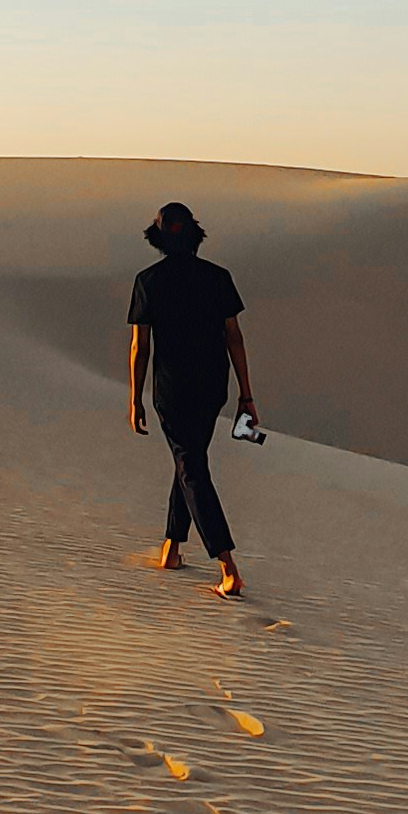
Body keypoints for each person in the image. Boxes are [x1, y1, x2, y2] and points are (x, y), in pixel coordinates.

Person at [126, 200, 260, 597]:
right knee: (190, 461)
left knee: (191, 469)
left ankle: (228, 568)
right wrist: (246, 396)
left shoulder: (148, 281)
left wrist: (135, 399)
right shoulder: (218, 278)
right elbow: (234, 338)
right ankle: (171, 548)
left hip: (172, 391)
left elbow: (140, 347)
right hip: (212, 389)